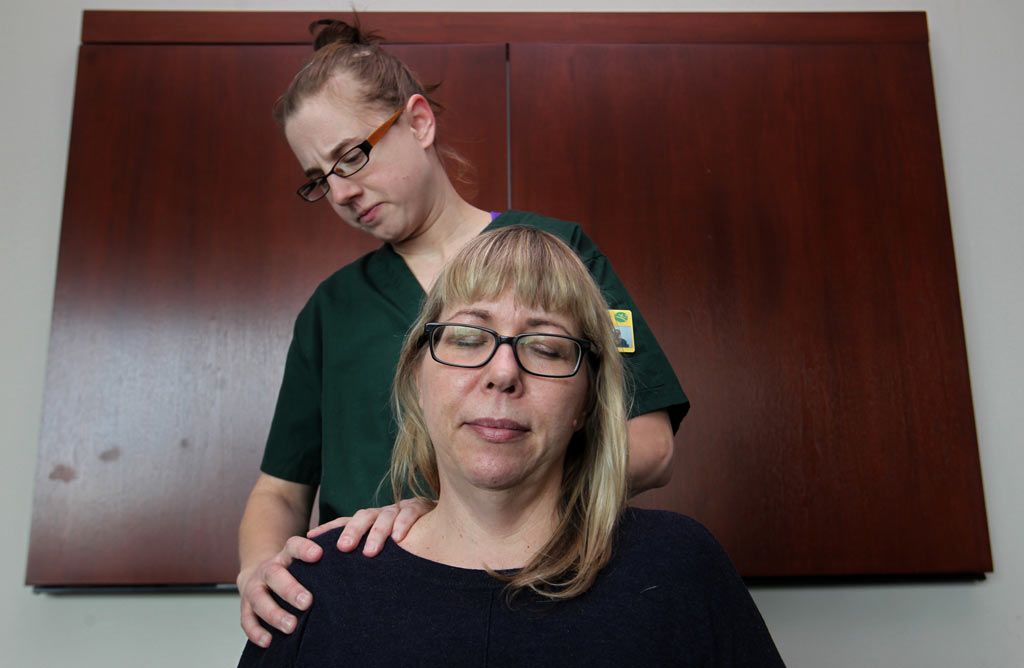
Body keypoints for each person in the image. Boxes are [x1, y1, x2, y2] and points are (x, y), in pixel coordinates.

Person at [237, 18, 689, 648]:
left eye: (351, 156)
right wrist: (258, 571)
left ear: (418, 122)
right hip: (373, 604)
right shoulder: (333, 308)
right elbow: (280, 491)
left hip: (540, 586)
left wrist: (459, 510)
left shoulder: (556, 254)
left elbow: (650, 444)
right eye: (319, 178)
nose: (340, 192)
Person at [238, 226, 782, 667]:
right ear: (416, 379)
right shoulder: (317, 591)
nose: (503, 372)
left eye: (546, 348)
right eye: (467, 339)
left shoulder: (680, 572)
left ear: (587, 402)